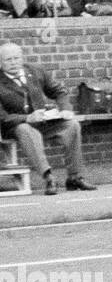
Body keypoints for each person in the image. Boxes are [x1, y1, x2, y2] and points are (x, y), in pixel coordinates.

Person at [0, 44, 95, 195]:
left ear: (22, 58)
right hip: (14, 127)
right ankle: (49, 177)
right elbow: (3, 117)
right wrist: (27, 118)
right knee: (26, 129)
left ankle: (75, 177)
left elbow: (59, 91)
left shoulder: (35, 70)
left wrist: (65, 109)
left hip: (43, 122)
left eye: (16, 58)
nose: (13, 62)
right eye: (8, 60)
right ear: (0, 62)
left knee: (72, 125)